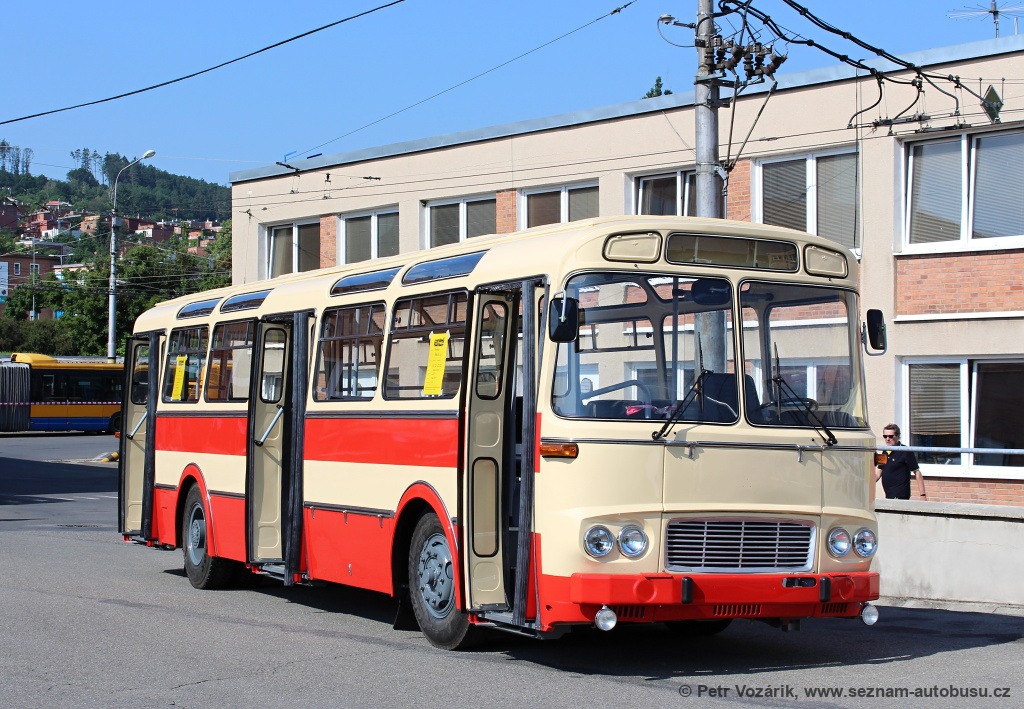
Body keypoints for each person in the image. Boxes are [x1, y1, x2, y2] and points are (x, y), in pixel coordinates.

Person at [875, 423, 927, 500]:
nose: (887, 439)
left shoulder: (905, 451)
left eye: (891, 436)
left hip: (900, 495)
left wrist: (922, 495)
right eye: (885, 436)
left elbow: (917, 472)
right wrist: (866, 486)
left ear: (898, 437)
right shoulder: (885, 451)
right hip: (888, 494)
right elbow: (878, 474)